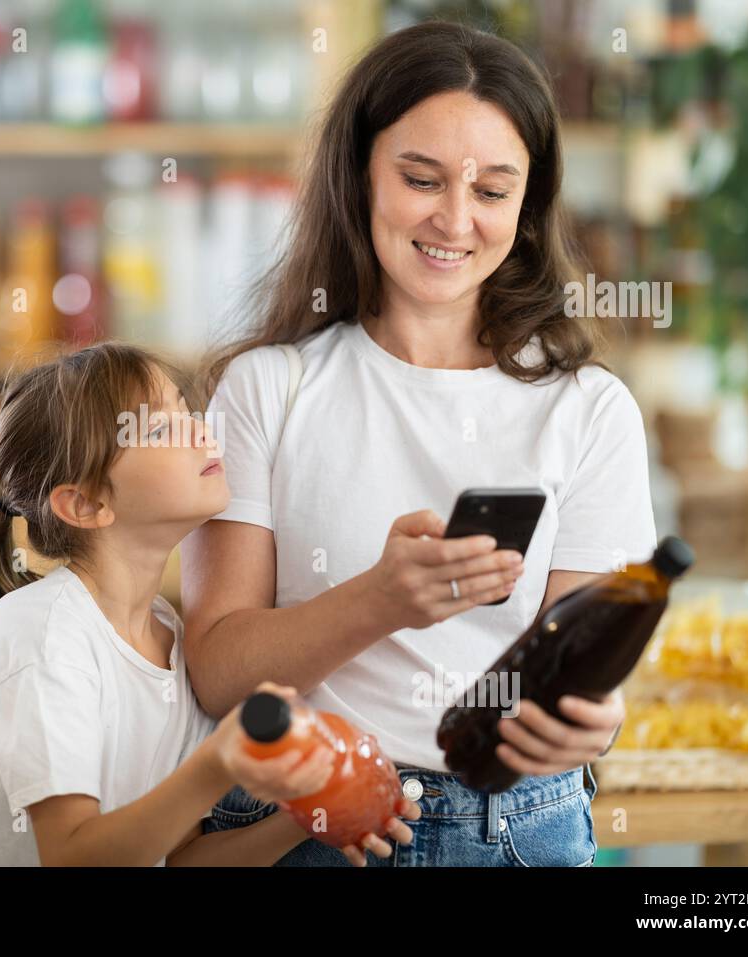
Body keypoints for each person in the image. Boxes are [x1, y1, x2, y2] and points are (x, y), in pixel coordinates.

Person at [181, 21, 654, 867]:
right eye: (421, 178)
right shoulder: (266, 389)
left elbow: (581, 675)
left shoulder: (589, 410)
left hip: (518, 828)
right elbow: (217, 674)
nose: (455, 219)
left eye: (493, 190)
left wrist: (592, 721)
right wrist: (378, 600)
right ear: (359, 172)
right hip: (306, 821)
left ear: (529, 204)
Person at [0, 343, 419, 865]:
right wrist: (214, 767)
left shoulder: (168, 636)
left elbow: (177, 858)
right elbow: (73, 858)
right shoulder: (42, 635)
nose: (202, 429)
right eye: (160, 429)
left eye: (186, 409)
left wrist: (309, 821)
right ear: (86, 503)